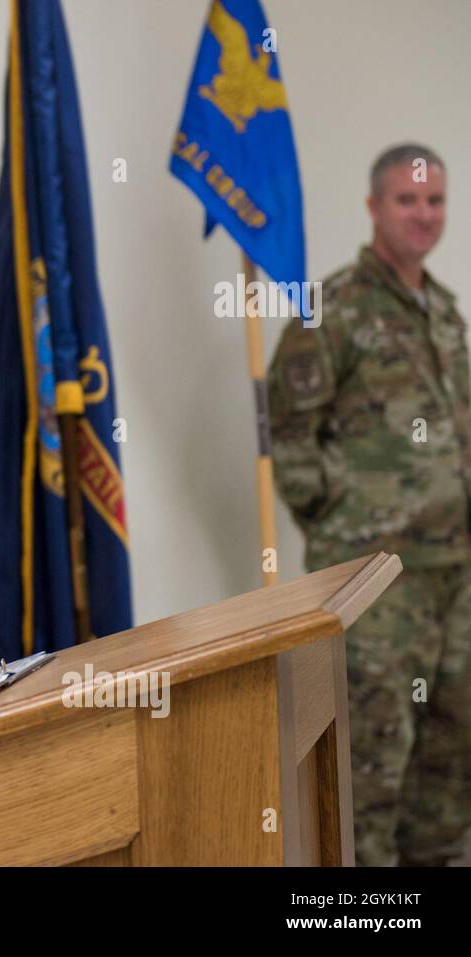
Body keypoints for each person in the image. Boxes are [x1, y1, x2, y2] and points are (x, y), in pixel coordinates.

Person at [268, 143, 469, 866]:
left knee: (452, 749)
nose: (423, 214)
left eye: (435, 200)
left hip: (455, 572)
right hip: (377, 579)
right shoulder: (334, 309)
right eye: (407, 200)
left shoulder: (444, 313)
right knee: (374, 755)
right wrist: (339, 518)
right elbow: (288, 429)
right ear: (374, 207)